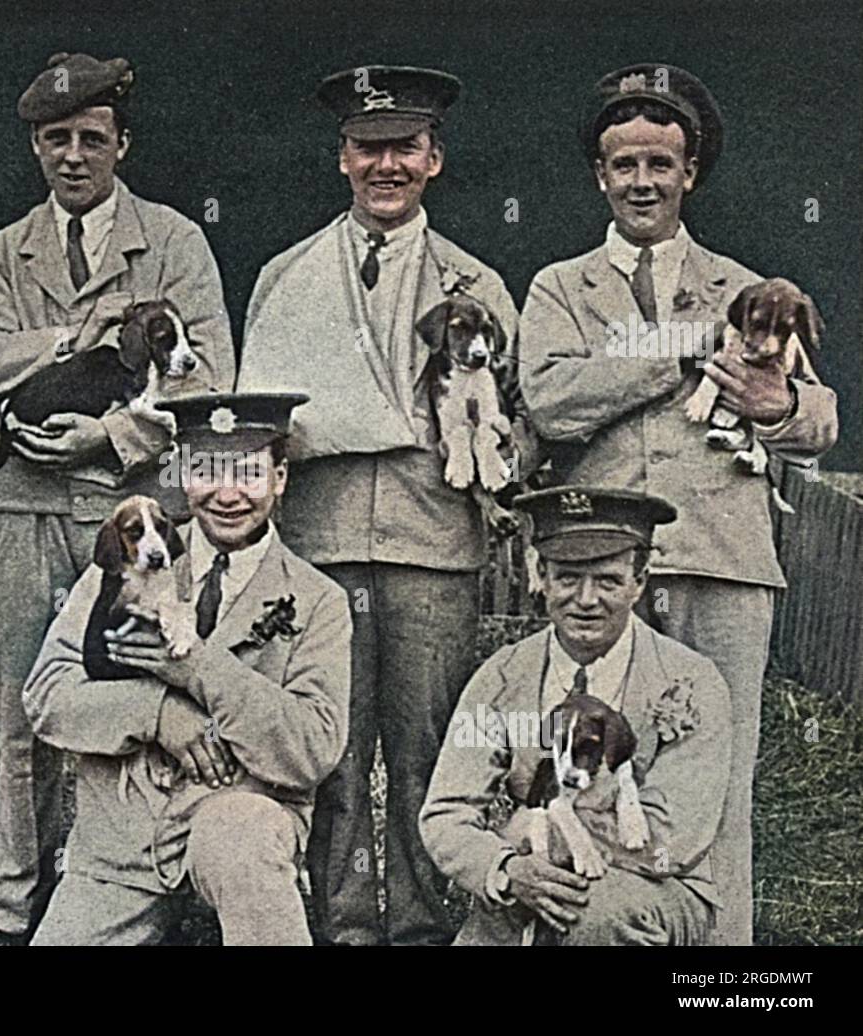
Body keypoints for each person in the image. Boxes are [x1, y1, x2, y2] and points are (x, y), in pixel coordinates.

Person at [517, 63, 838, 944]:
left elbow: (822, 416)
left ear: (689, 171)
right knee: (601, 768)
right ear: (600, 176)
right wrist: (677, 352)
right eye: (625, 165)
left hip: (722, 557)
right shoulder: (559, 289)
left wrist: (781, 409)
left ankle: (720, 965)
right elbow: (549, 400)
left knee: (718, 775)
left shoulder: (745, 286)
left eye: (661, 163)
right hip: (603, 568)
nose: (643, 182)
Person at [237, 64, 532, 945]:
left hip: (430, 544)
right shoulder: (287, 276)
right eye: (370, 148)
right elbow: (262, 419)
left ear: (435, 158)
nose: (387, 165)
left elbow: (506, 419)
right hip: (319, 542)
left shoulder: (476, 285)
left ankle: (418, 923)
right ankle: (336, 922)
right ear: (343, 159)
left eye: (405, 147)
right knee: (327, 746)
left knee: (426, 750)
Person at [0, 52, 235, 941]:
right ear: (36, 147)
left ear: (122, 143)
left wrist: (110, 435)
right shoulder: (9, 250)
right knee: (27, 704)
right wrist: (70, 340)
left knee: (151, 684)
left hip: (134, 508)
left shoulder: (176, 242)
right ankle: (13, 906)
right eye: (55, 140)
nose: (73, 156)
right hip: (27, 509)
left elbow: (212, 377)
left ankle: (147, 889)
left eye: (91, 139)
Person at [24, 393, 351, 945]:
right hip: (121, 841)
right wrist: (156, 713)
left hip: (236, 825)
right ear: (183, 476)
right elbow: (47, 696)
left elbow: (313, 748)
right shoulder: (127, 563)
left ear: (280, 478)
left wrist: (201, 668)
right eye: (207, 471)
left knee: (242, 836)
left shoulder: (318, 600)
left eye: (248, 473)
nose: (227, 494)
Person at [422, 487, 732, 945]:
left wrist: (534, 835)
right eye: (567, 578)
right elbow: (447, 812)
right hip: (527, 878)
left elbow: (674, 838)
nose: (586, 600)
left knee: (592, 913)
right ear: (539, 574)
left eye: (608, 580)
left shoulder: (689, 682)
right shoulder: (502, 678)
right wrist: (506, 868)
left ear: (640, 580)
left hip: (653, 885)